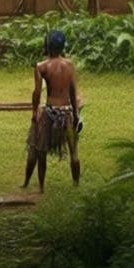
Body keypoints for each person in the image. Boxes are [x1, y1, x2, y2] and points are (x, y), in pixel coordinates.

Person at [22, 30, 81, 192]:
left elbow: (37, 92)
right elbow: (73, 92)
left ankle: (39, 187)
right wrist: (76, 115)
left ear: (47, 45)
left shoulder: (42, 66)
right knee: (73, 152)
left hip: (49, 113)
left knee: (40, 150)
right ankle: (76, 185)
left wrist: (35, 112)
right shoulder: (69, 65)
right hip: (67, 113)